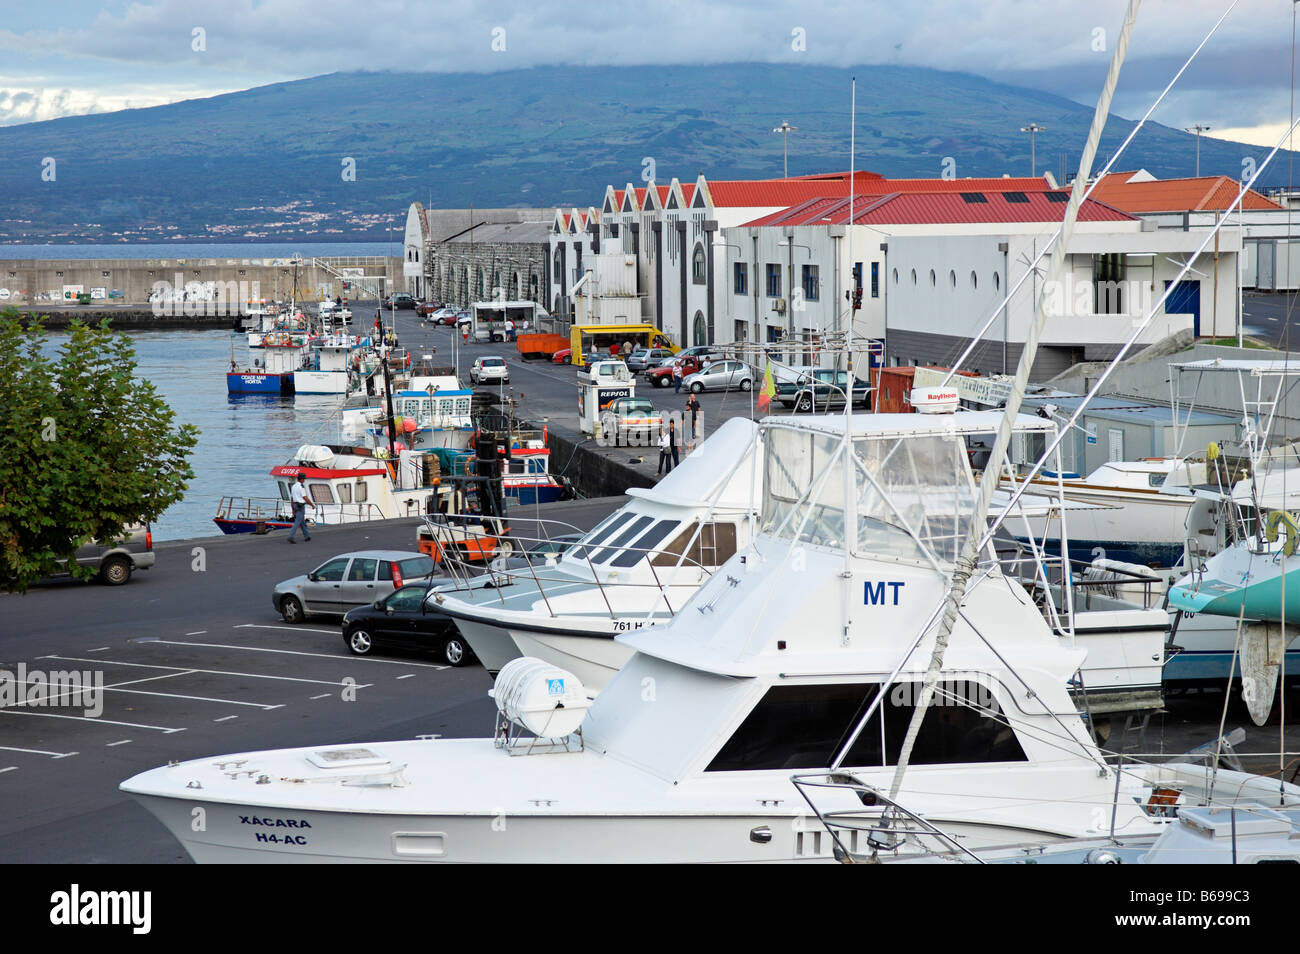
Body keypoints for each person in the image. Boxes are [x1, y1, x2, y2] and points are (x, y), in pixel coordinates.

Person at [287, 473, 314, 543]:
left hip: (295, 505)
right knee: (297, 522)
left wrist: (292, 509)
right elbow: (305, 497)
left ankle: (307, 536)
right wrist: (312, 505)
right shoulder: (301, 487)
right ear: (301, 479)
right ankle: (291, 536)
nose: (304, 480)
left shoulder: (293, 486)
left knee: (302, 522)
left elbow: (292, 499)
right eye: (304, 479)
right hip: (300, 506)